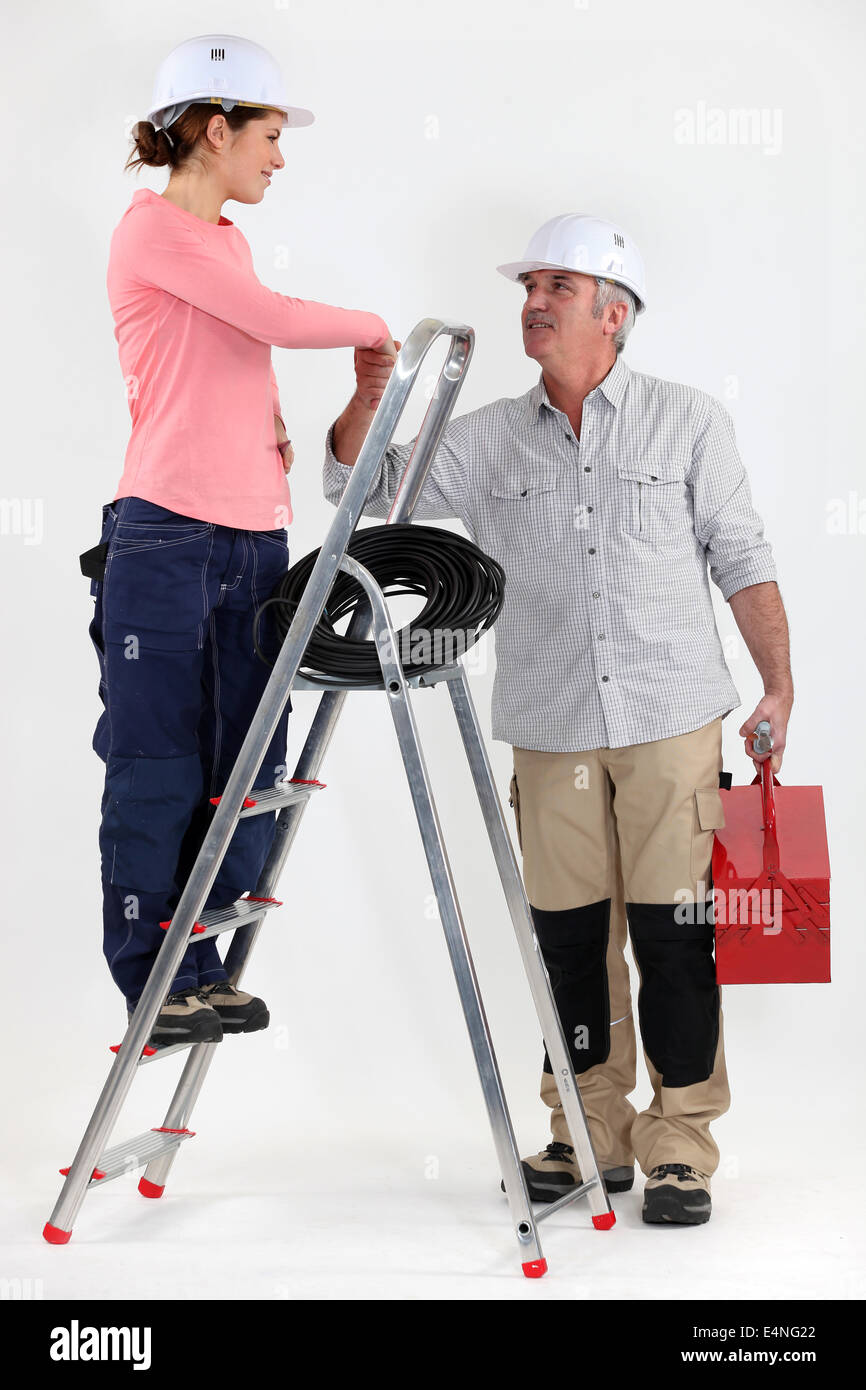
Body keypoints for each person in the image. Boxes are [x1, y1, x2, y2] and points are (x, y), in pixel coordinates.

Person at [321, 213, 792, 1226]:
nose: (532, 303)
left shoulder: (688, 422)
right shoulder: (485, 437)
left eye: (556, 288)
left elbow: (741, 556)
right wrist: (369, 402)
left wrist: (776, 687)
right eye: (528, 286)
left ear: (611, 315)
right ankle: (586, 1132)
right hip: (548, 728)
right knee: (567, 943)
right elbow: (355, 490)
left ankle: (678, 1144)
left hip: (671, 721)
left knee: (674, 938)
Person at [89, 33, 396, 1051]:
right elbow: (267, 317)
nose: (278, 156)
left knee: (244, 761)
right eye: (267, 134)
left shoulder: (223, 240)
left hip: (251, 539)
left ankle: (201, 962)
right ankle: (153, 976)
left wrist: (279, 431)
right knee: (157, 766)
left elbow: (235, 355)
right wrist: (372, 324)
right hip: (166, 538)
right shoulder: (150, 232)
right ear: (214, 130)